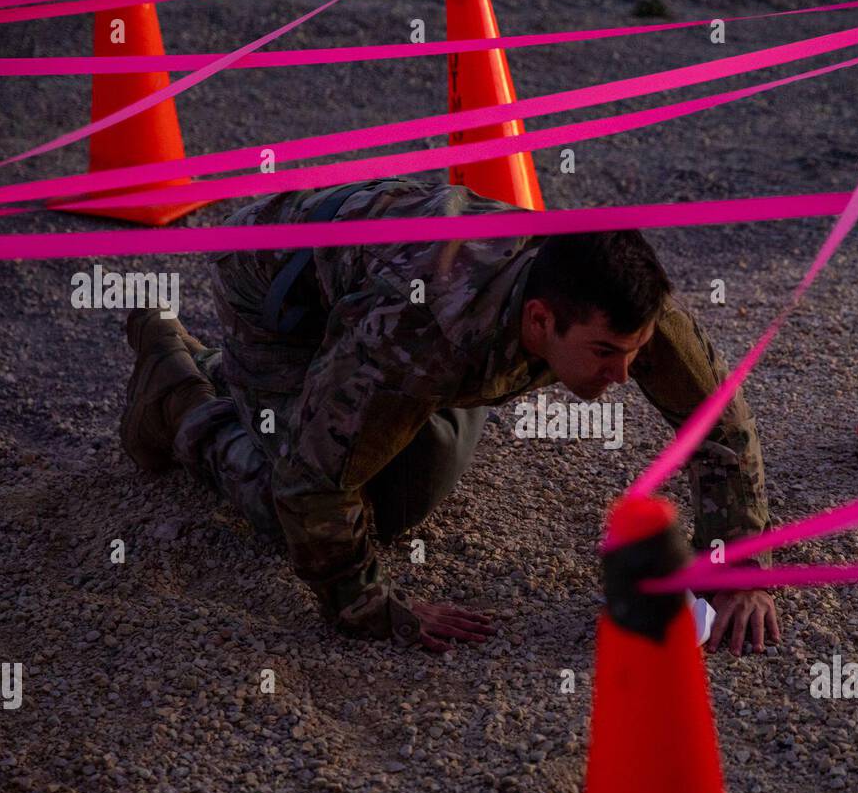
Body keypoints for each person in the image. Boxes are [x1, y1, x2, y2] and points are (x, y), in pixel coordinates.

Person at [120, 176, 779, 654]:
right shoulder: (418, 339)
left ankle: (240, 382)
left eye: (633, 353)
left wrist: (733, 561)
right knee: (317, 505)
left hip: (375, 287)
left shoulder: (623, 304)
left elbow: (718, 421)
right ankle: (176, 393)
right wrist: (370, 608)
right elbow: (310, 486)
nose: (623, 376)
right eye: (606, 354)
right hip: (275, 291)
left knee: (414, 464)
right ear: (540, 320)